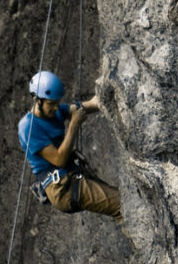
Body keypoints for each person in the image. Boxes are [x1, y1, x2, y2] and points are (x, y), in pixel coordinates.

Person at [18, 70, 121, 222]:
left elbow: (86, 106)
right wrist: (73, 125)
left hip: (69, 177)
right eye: (51, 104)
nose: (56, 108)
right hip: (61, 187)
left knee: (121, 203)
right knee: (122, 206)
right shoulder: (28, 128)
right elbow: (59, 159)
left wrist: (107, 91)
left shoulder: (54, 111)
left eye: (57, 103)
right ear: (37, 100)